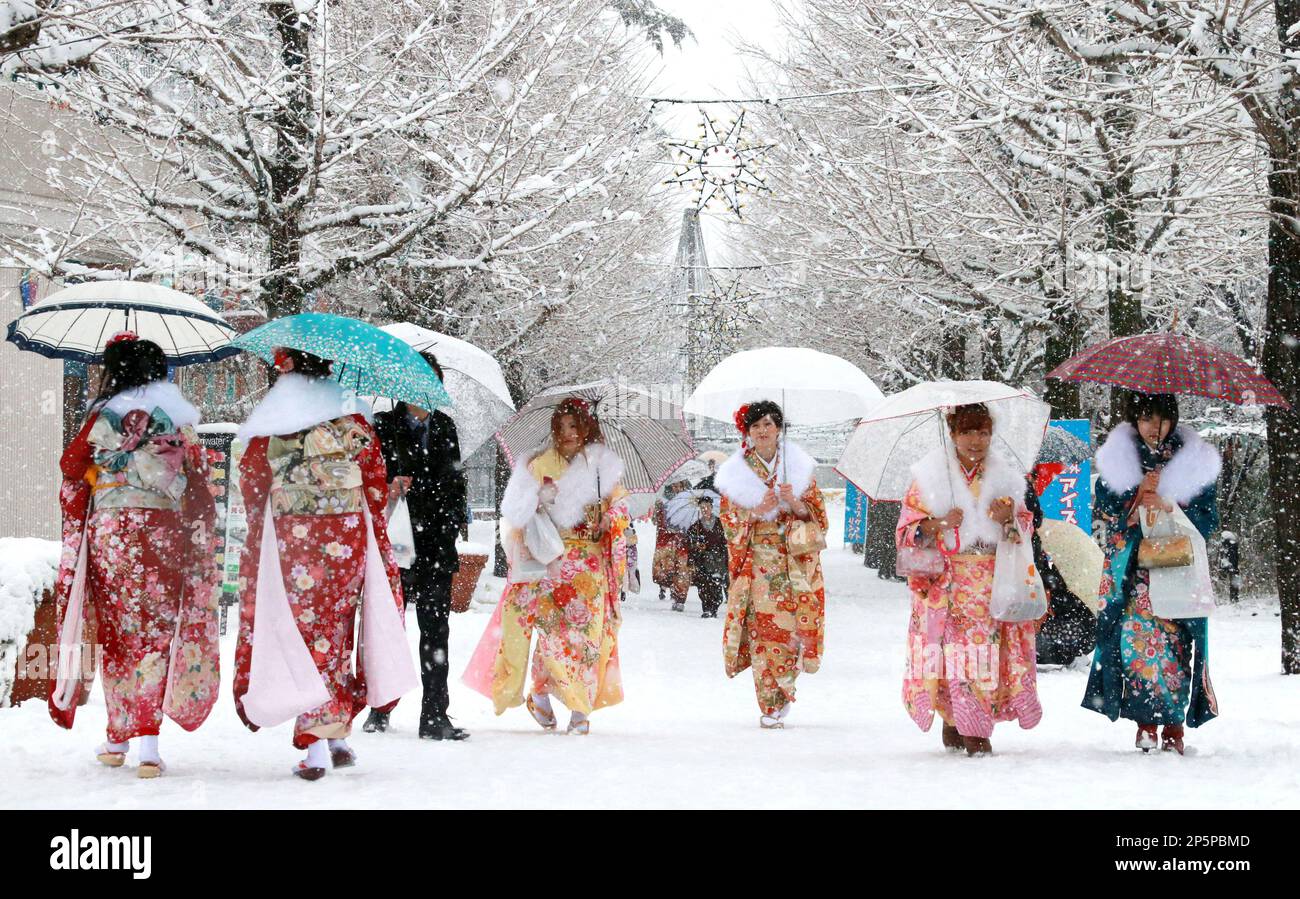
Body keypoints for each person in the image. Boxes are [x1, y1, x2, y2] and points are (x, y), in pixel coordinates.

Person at [233, 348, 416, 780]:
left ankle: (314, 745)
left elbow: (253, 483)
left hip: (294, 537)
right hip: (347, 535)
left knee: (301, 635)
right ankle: (335, 734)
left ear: (289, 369)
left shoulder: (276, 422)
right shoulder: (352, 423)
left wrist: (284, 503)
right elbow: (374, 484)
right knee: (336, 634)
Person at [48, 333, 221, 778]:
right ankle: (148, 744)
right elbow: (198, 479)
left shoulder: (103, 415)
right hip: (161, 529)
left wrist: (103, 470)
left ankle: (117, 736)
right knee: (156, 632)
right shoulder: (177, 417)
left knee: (120, 632)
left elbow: (71, 467)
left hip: (112, 533)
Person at [462, 397, 629, 735]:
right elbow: (517, 514)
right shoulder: (539, 465)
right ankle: (545, 694)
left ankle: (578, 707)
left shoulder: (602, 467)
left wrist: (609, 520)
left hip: (591, 563)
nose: (568, 434)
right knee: (554, 635)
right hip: (553, 558)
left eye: (575, 426)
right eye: (562, 427)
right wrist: (538, 498)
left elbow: (622, 507)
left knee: (587, 637)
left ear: (586, 428)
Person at [895, 402, 1042, 756]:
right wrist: (938, 523)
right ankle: (957, 719)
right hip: (948, 582)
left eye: (983, 432)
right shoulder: (930, 478)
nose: (976, 440)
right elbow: (905, 532)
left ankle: (970, 722)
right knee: (954, 654)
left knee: (984, 652)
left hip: (991, 580)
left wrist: (1009, 519)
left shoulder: (1006, 477)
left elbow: (1026, 526)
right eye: (967, 432)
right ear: (953, 434)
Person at [1084, 392, 1220, 754]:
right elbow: (1102, 520)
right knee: (1135, 646)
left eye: (1161, 419)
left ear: (1173, 420)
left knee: (1176, 647)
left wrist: (1171, 503)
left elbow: (1209, 521)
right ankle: (1145, 722)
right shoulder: (1119, 464)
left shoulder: (1194, 463)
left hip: (1176, 568)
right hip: (1134, 574)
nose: (1153, 427)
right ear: (1134, 420)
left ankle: (1174, 725)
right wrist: (1134, 498)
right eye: (1145, 419)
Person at [362, 353, 470, 741]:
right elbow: (369, 475)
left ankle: (434, 714)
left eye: (430, 382)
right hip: (394, 542)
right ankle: (379, 706)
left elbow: (454, 482)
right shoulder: (383, 425)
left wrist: (445, 511)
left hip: (436, 544)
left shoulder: (445, 427)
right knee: (386, 627)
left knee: (435, 631)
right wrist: (389, 486)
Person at [715, 400, 828, 729]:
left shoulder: (798, 467)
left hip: (792, 560)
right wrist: (754, 511)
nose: (762, 431)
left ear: (779, 428)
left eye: (768, 424)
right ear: (747, 433)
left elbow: (818, 517)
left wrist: (795, 502)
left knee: (792, 627)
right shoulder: (737, 472)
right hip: (758, 565)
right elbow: (729, 522)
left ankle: (785, 685)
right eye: (756, 426)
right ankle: (769, 700)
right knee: (764, 631)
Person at [651, 479, 692, 610]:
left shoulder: (688, 501)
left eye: (679, 485)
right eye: (674, 485)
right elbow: (654, 520)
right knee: (667, 569)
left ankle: (680, 598)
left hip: (682, 541)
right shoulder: (662, 501)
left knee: (682, 570)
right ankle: (672, 592)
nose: (677, 488)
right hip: (666, 541)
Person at [686, 496, 727, 618]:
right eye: (702, 507)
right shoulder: (696, 527)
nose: (705, 509)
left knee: (716, 584)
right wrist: (697, 546)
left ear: (711, 507)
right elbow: (690, 543)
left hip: (717, 559)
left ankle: (714, 607)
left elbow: (725, 541)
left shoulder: (721, 524)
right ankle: (706, 608)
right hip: (702, 559)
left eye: (707, 507)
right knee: (703, 585)